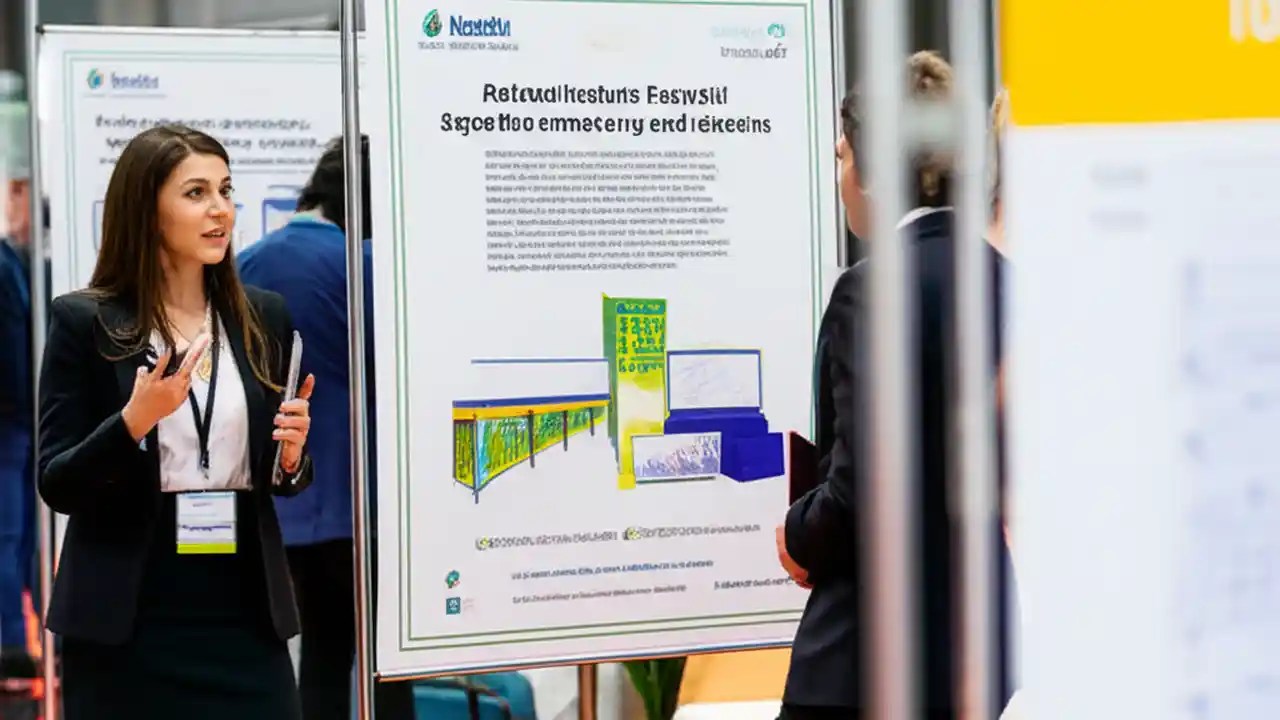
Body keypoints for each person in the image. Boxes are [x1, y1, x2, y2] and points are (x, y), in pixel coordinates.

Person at [37, 124, 317, 719]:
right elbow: (57, 483)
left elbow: (276, 477)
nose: (220, 209)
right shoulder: (86, 322)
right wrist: (132, 422)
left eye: (225, 190)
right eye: (195, 193)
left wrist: (291, 457)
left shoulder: (261, 316)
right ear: (147, 210)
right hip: (128, 613)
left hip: (244, 609)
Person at [776, 51, 1015, 718]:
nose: (842, 175)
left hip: (866, 658)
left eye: (845, 157)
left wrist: (797, 535)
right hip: (977, 650)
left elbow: (859, 490)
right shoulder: (1007, 284)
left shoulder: (870, 292)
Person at [237, 136, 413, 719]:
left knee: (320, 655)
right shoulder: (363, 263)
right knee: (389, 664)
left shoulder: (247, 263)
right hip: (365, 500)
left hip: (285, 497)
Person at [0, 174, 35, 683]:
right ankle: (10, 646)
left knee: (24, 538)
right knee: (7, 537)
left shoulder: (16, 263)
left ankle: (27, 642)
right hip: (7, 421)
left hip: (21, 422)